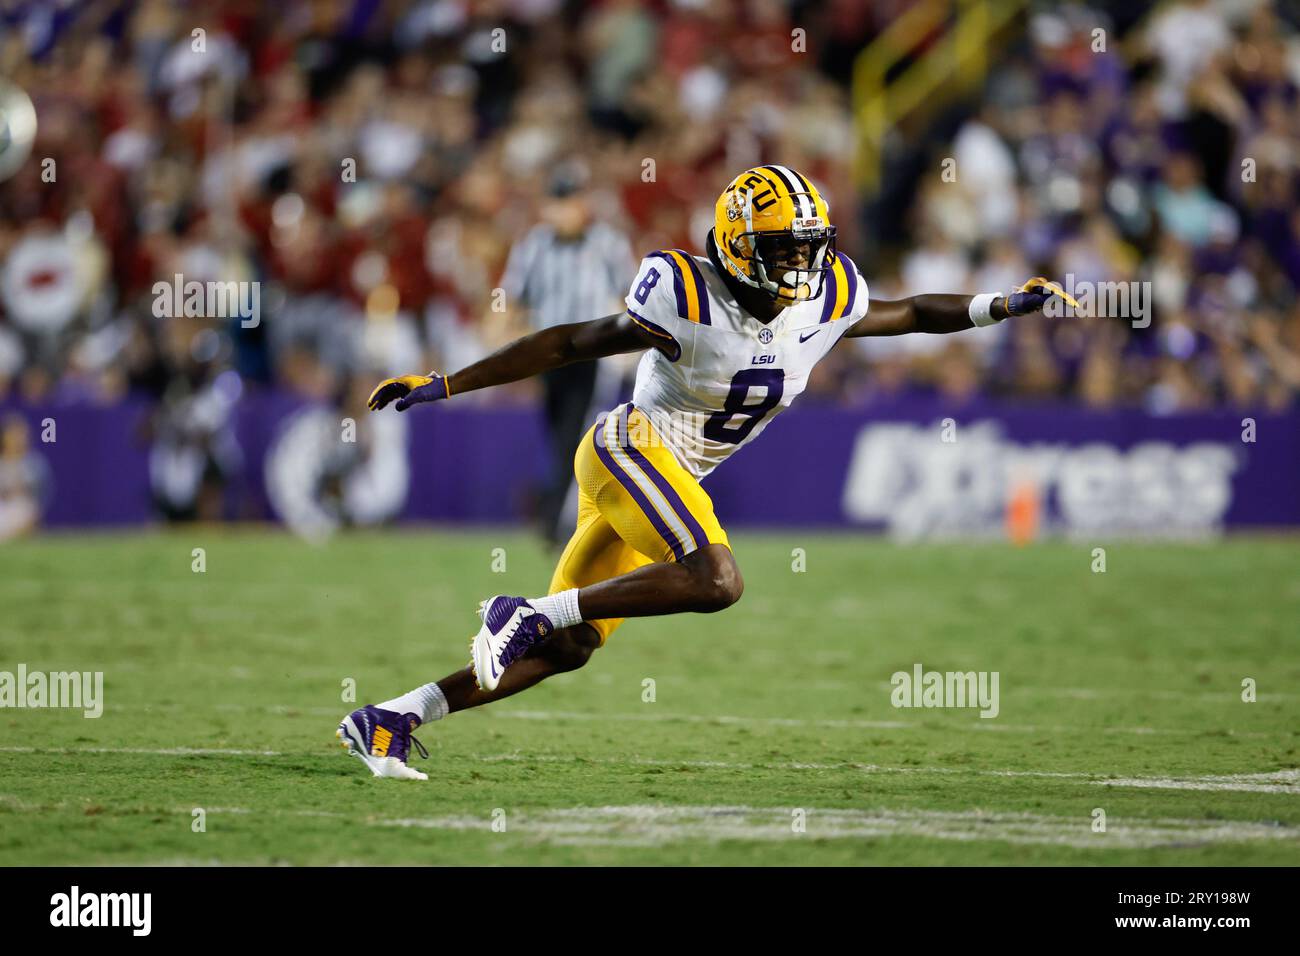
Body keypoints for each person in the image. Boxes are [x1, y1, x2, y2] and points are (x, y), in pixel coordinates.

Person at [338, 165, 1071, 779]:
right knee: (716, 580)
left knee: (568, 648)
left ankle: (391, 718)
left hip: (661, 484)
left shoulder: (826, 297)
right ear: (738, 245)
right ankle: (523, 610)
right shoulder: (684, 292)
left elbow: (907, 312)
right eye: (784, 248)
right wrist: (448, 383)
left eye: (807, 247)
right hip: (629, 450)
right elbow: (570, 343)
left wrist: (999, 305)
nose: (801, 264)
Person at [499, 163, 635, 543]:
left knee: (576, 435)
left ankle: (558, 521)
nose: (565, 210)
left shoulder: (608, 243)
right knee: (558, 433)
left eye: (571, 201)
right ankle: (562, 515)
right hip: (550, 354)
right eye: (558, 201)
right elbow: (513, 298)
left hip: (592, 353)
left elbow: (632, 294)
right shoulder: (534, 245)